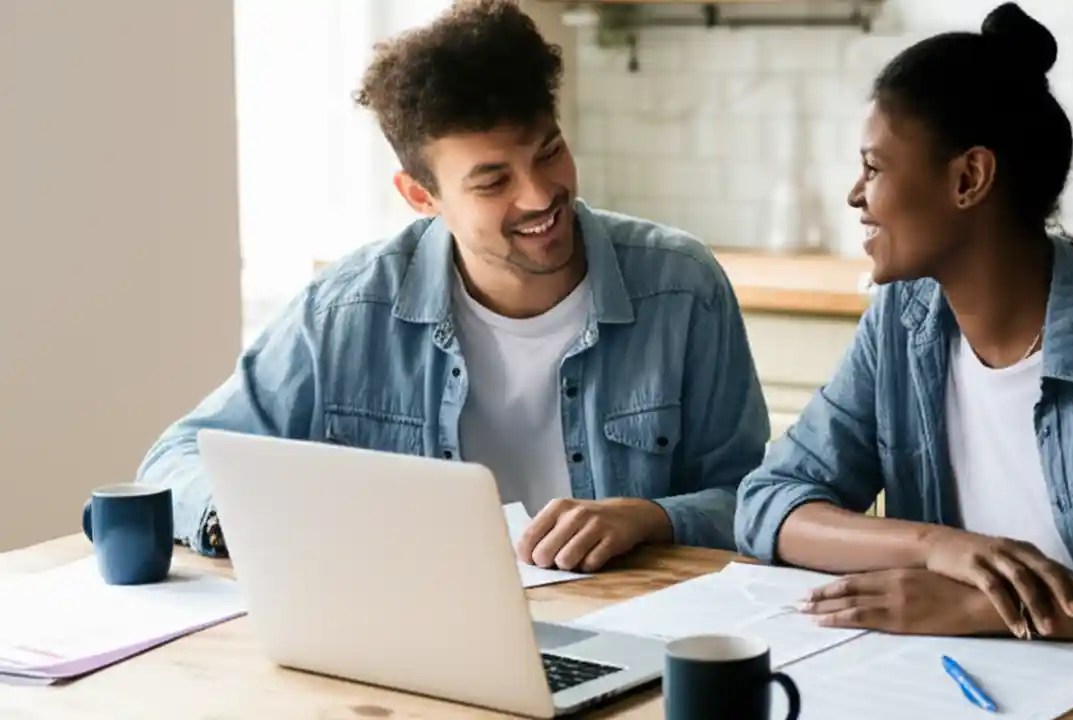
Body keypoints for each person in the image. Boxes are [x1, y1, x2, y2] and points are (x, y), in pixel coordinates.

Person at [735, 2, 1073, 664]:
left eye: (874, 168)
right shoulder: (902, 323)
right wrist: (935, 547)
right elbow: (769, 501)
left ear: (969, 178)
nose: (856, 195)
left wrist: (1021, 610)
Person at [139, 0, 768, 571]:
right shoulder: (347, 311)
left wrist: (650, 518)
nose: (540, 195)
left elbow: (753, 499)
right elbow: (175, 460)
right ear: (421, 196)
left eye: (548, 152)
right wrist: (237, 519)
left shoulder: (681, 287)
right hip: (419, 625)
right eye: (493, 182)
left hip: (631, 622)